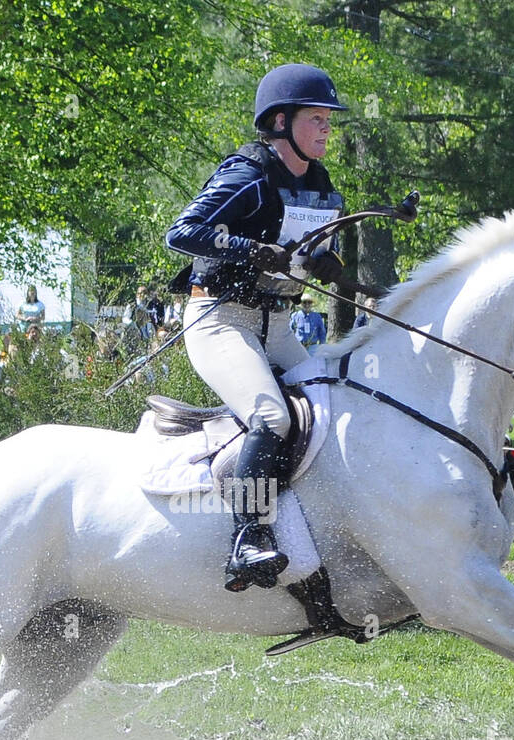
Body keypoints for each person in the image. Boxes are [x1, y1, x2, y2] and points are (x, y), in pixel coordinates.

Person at [165, 62, 347, 591]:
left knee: (333, 413)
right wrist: (248, 248)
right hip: (221, 320)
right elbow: (181, 233)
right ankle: (248, 538)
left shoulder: (317, 182)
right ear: (281, 121)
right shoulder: (247, 174)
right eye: (316, 118)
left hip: (280, 323)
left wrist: (325, 263)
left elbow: (303, 249)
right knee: (271, 415)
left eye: (328, 120)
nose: (326, 129)